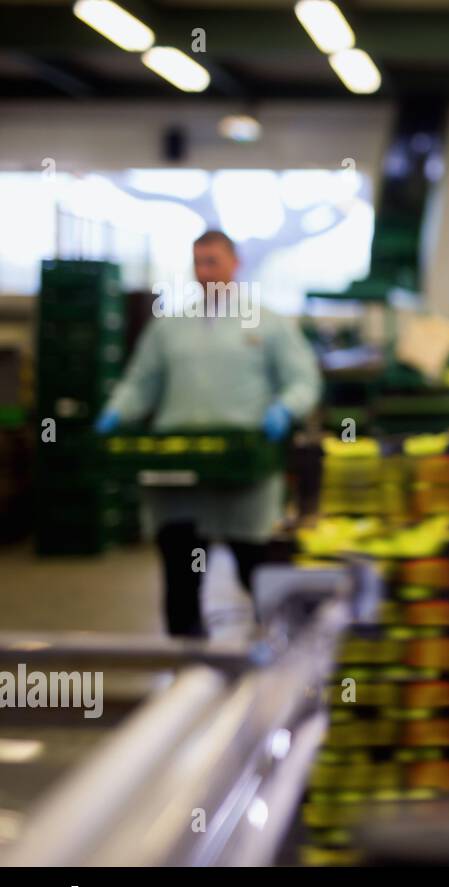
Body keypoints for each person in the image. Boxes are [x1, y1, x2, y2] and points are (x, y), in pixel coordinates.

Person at [96, 229, 322, 638]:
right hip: (179, 471)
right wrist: (117, 411)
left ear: (235, 264)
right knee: (181, 569)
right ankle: (188, 663)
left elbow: (303, 379)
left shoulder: (266, 323)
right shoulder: (170, 328)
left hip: (244, 466)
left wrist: (285, 409)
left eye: (213, 261)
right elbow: (140, 383)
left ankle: (287, 651)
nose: (204, 271)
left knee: (255, 562)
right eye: (198, 262)